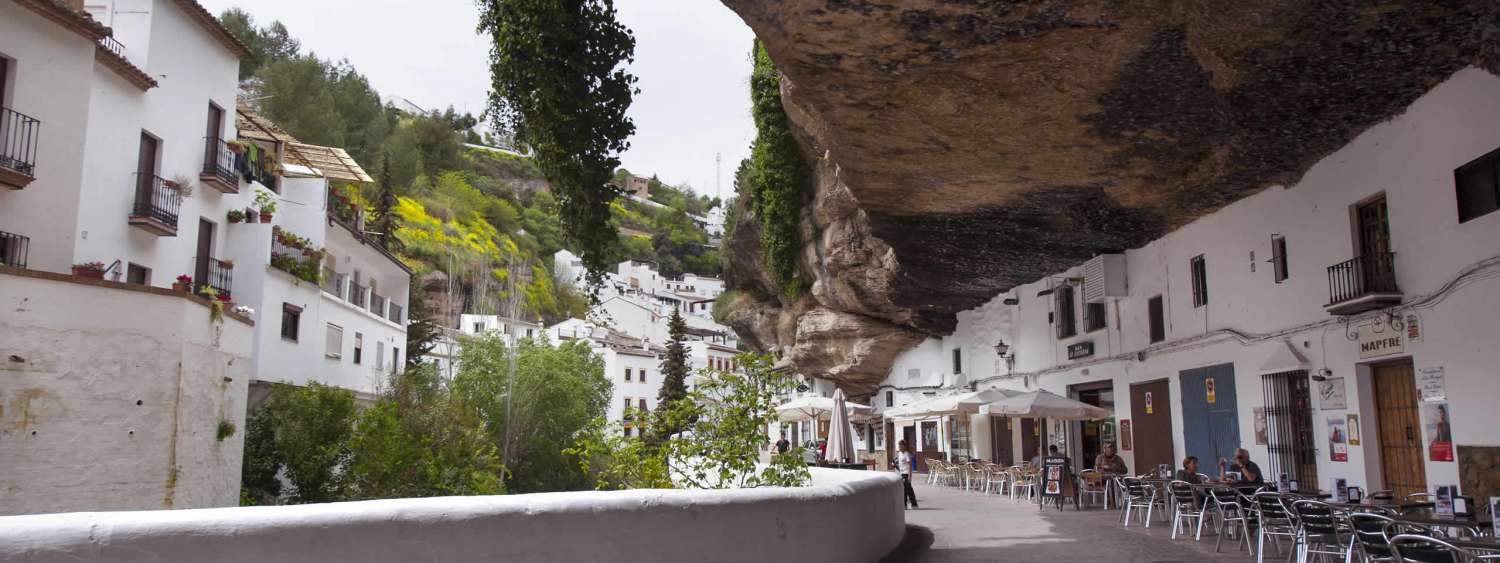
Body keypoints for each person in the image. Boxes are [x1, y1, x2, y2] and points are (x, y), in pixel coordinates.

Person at [898, 439, 919, 509]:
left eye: (901, 446)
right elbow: (900, 464)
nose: (900, 447)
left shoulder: (907, 454)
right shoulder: (900, 453)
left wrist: (910, 476)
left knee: (904, 490)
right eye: (899, 446)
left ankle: (904, 505)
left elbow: (910, 465)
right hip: (902, 473)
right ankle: (914, 504)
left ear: (904, 446)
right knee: (909, 490)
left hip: (906, 474)